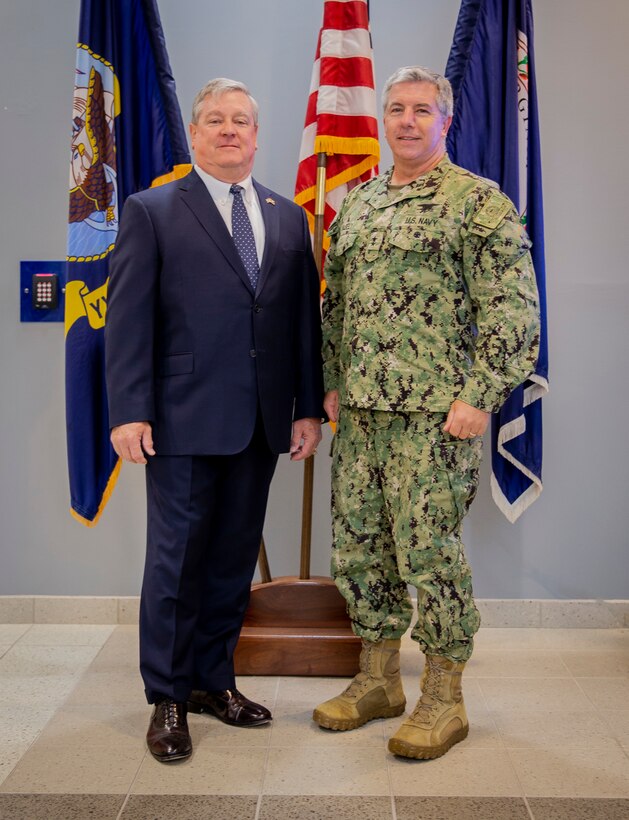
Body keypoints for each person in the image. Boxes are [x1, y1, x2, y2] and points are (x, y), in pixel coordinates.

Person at [313, 66, 540, 760]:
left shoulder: (478, 203)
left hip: (433, 419)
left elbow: (513, 310)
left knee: (429, 555)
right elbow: (335, 306)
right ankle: (378, 680)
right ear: (382, 119)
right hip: (359, 415)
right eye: (396, 109)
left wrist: (479, 395)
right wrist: (329, 382)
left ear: (445, 121)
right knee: (359, 549)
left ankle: (444, 698)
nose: (406, 121)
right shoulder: (357, 206)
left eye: (421, 110)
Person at [105, 78, 324, 763]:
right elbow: (128, 320)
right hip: (179, 418)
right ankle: (167, 697)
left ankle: (212, 681)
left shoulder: (288, 218)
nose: (230, 131)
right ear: (196, 134)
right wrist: (129, 410)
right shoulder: (153, 210)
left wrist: (307, 406)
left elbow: (299, 326)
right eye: (215, 121)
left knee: (231, 559)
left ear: (257, 136)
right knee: (175, 563)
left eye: (241, 122)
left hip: (260, 422)